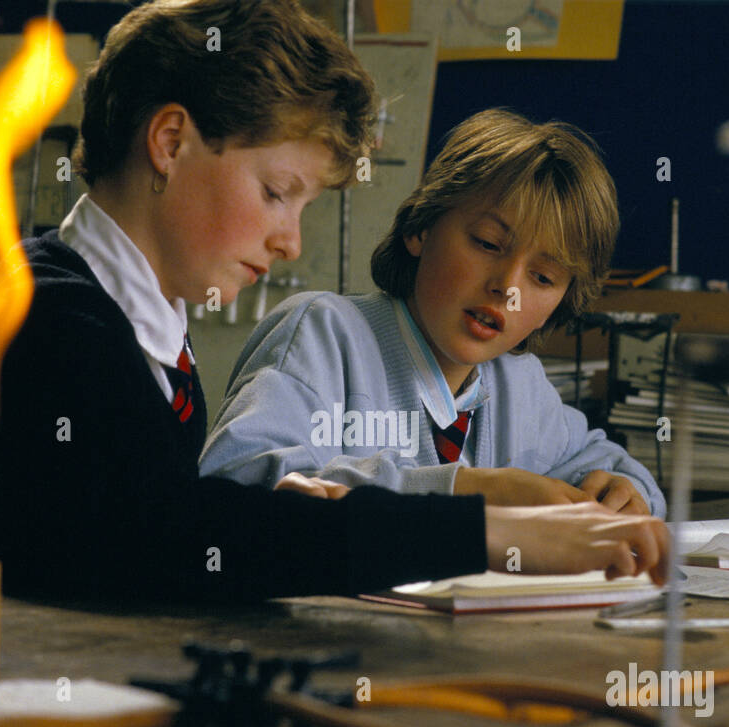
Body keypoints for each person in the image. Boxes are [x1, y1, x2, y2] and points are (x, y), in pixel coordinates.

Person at [0, 0, 670, 605]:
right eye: (275, 192)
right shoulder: (50, 320)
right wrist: (483, 526)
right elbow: (191, 539)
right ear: (170, 143)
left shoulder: (141, 329)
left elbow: (183, 533)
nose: (290, 240)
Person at [200, 108, 666, 518]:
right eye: (487, 243)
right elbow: (236, 486)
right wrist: (465, 491)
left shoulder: (521, 387)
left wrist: (628, 492)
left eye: (543, 278)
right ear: (420, 229)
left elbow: (608, 464)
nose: (507, 289)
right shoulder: (322, 335)